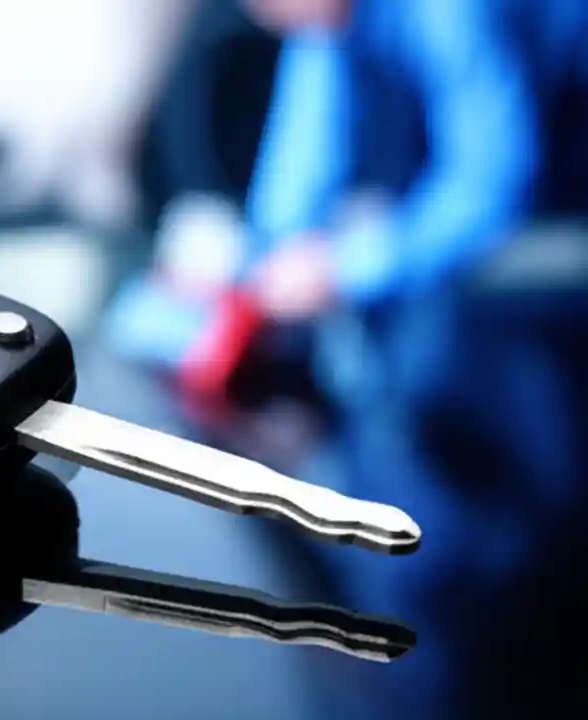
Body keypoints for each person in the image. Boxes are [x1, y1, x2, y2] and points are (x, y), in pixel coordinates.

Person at [240, 0, 588, 717]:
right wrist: (254, 270)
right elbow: (290, 192)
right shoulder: (327, 27)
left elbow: (495, 178)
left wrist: (348, 266)